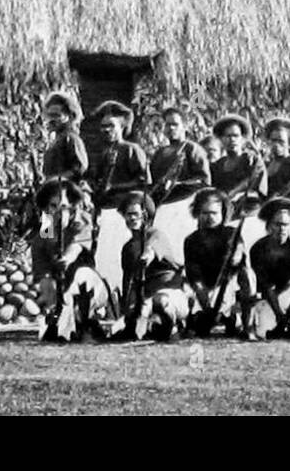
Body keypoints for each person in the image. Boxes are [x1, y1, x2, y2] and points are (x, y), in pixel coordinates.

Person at [32, 179, 108, 341]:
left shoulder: (83, 220)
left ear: (73, 206)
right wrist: (48, 287)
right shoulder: (46, 229)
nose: (58, 211)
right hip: (61, 286)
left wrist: (65, 258)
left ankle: (88, 320)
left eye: (64, 206)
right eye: (53, 206)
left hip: (89, 287)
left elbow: (76, 246)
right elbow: (42, 265)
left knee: (82, 275)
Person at [87, 100, 150, 296]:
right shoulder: (105, 154)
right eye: (103, 126)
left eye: (111, 126)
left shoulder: (131, 150)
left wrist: (114, 187)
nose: (106, 130)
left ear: (122, 127)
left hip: (123, 212)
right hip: (105, 212)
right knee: (104, 257)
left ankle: (126, 299)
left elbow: (144, 181)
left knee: (121, 255)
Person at [116, 191, 187, 341]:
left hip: (169, 292)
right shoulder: (127, 248)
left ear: (146, 214)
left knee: (160, 302)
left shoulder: (156, 234)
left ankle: (175, 327)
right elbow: (128, 280)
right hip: (145, 297)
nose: (132, 218)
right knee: (135, 322)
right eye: (128, 215)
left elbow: (152, 250)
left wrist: (146, 256)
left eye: (136, 214)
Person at [183, 187, 251, 336]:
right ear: (197, 213)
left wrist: (236, 257)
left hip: (230, 285)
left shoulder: (231, 234)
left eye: (214, 213)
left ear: (223, 213)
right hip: (205, 289)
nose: (209, 218)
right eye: (205, 213)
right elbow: (192, 272)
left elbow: (239, 255)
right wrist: (202, 293)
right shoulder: (191, 240)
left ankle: (247, 326)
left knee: (247, 276)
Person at [244, 197, 290, 340]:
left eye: (286, 224)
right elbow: (265, 285)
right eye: (278, 224)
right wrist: (280, 315)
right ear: (269, 225)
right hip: (269, 298)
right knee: (265, 330)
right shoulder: (258, 249)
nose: (282, 229)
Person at [149, 107, 211, 267]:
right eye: (167, 125)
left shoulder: (192, 149)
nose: (170, 128)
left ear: (185, 126)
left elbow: (204, 180)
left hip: (185, 205)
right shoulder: (159, 153)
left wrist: (179, 184)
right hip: (163, 206)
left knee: (182, 250)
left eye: (175, 124)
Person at [209, 114, 265, 201]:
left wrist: (233, 193)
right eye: (228, 136)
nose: (232, 139)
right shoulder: (217, 166)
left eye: (236, 135)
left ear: (242, 138)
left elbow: (254, 184)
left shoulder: (251, 161)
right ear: (221, 139)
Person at [41, 91, 89, 184]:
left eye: (56, 115)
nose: (51, 120)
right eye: (49, 115)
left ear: (69, 117)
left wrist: (56, 180)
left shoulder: (71, 139)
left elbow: (80, 168)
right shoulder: (55, 140)